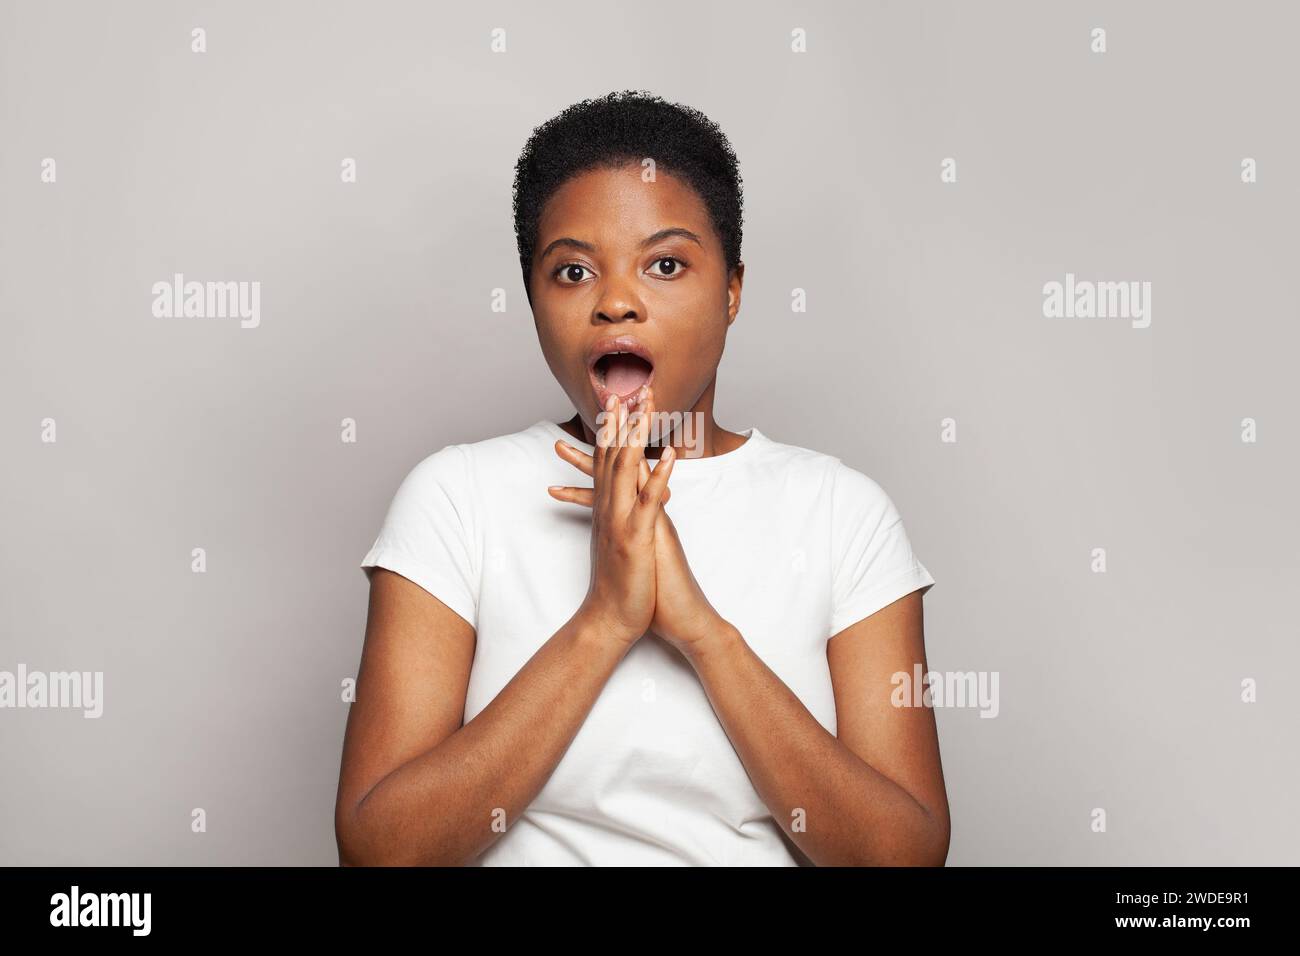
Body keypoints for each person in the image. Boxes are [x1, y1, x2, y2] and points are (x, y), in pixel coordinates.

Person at [335, 90, 949, 866]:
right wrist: (605, 621)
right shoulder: (457, 498)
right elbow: (380, 852)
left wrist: (700, 630)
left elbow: (905, 857)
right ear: (531, 298)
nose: (617, 302)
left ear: (732, 290)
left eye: (665, 264)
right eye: (572, 271)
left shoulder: (841, 514)